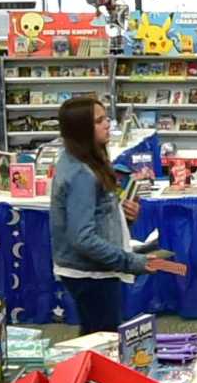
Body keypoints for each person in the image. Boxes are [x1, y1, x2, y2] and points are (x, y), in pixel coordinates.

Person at [49, 96, 171, 333]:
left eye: (106, 118)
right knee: (102, 339)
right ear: (82, 129)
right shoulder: (81, 173)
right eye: (99, 120)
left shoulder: (84, 160)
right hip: (91, 273)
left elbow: (94, 218)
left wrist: (125, 217)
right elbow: (82, 237)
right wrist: (130, 262)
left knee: (98, 334)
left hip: (93, 269)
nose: (107, 124)